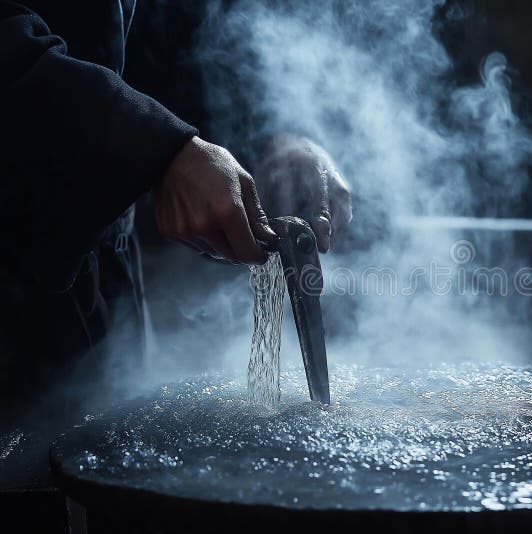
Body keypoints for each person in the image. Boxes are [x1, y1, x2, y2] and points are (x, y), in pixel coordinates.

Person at [0, 1, 351, 425]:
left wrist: (267, 142)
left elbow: (161, 40)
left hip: (105, 276)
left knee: (107, 450)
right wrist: (157, 145)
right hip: (14, 283)